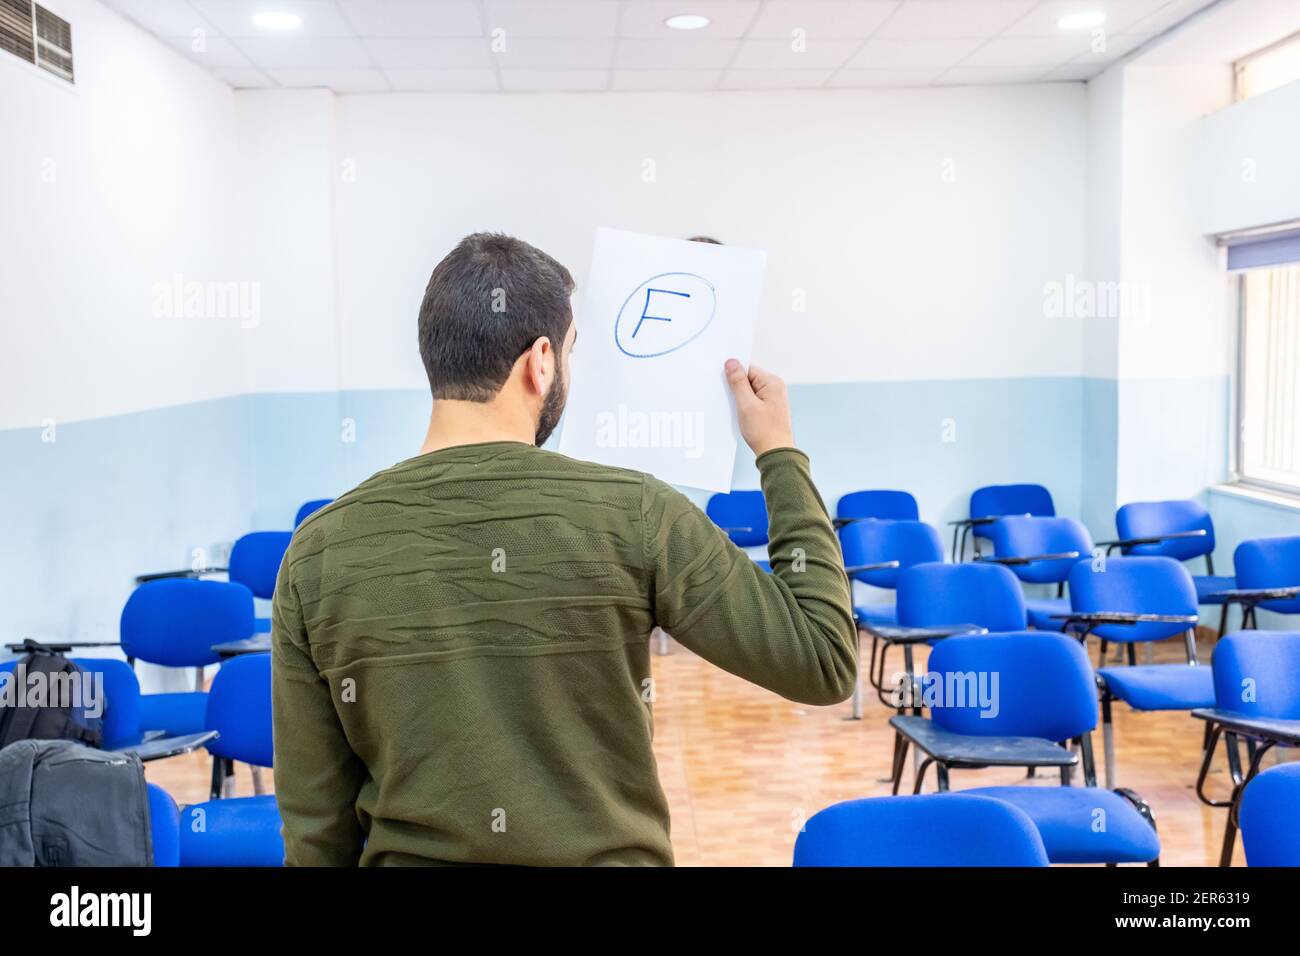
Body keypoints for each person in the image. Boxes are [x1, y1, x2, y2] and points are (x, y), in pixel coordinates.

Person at [271, 232, 856, 866]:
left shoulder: (318, 552)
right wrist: (779, 453)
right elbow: (823, 659)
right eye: (573, 351)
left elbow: (315, 831)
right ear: (541, 360)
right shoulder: (636, 514)